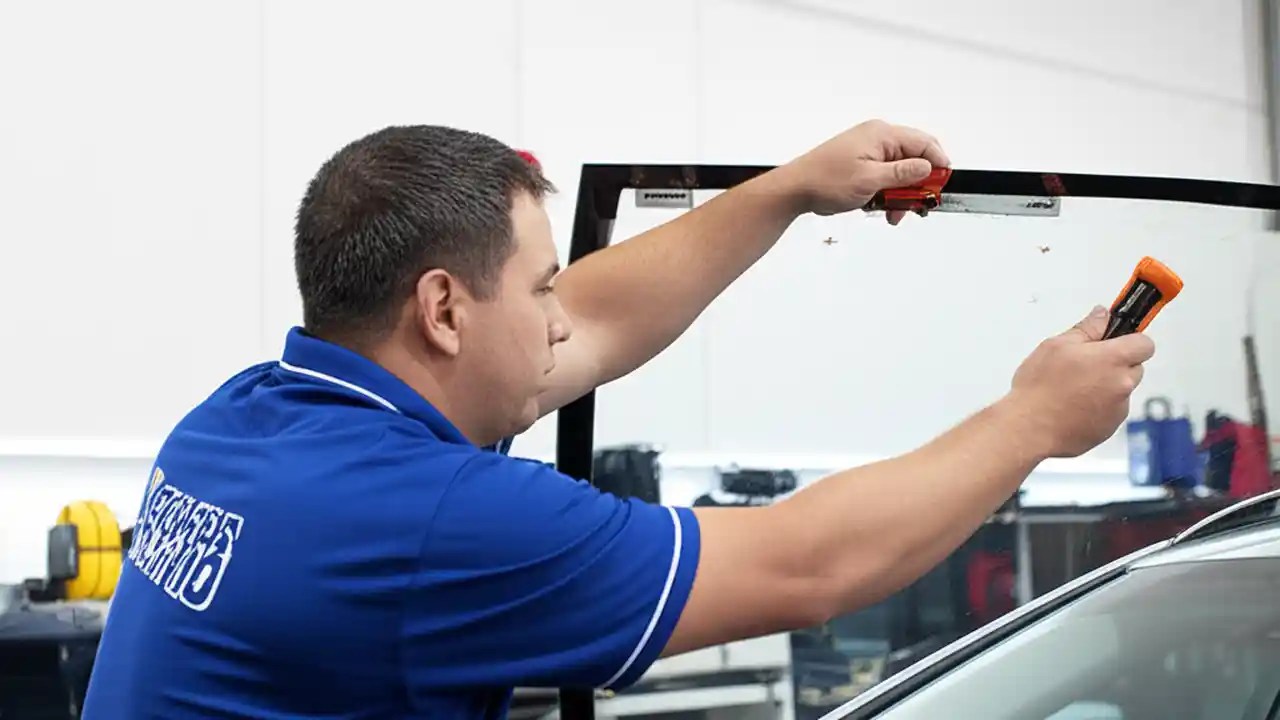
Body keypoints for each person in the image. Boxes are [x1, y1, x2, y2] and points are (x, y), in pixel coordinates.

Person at [81, 119, 1154, 719]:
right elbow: (809, 565)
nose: (560, 317)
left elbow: (592, 323)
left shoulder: (241, 419)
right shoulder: (429, 520)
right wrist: (1033, 419)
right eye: (540, 285)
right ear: (443, 310)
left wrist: (788, 189)